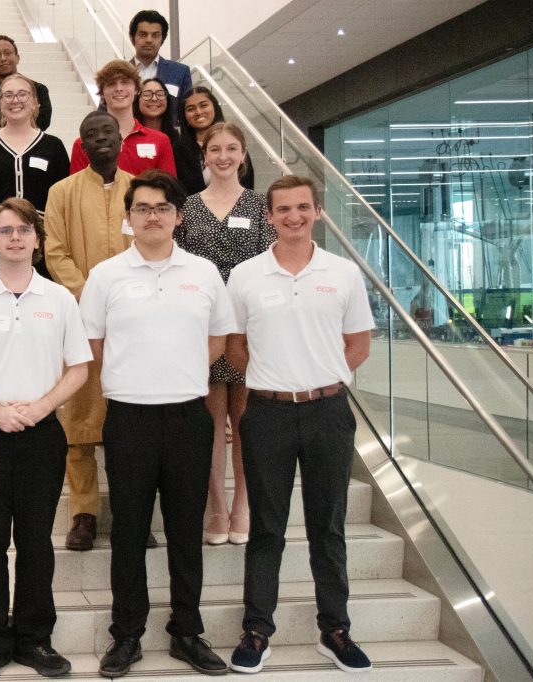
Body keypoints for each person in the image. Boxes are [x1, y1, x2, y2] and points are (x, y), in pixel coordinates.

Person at [81, 170, 235, 678]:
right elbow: (96, 345)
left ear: (179, 216)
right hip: (129, 417)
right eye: (143, 207)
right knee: (128, 531)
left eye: (162, 207)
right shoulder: (106, 276)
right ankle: (126, 635)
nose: (153, 215)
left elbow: (217, 340)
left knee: (186, 530)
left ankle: (187, 632)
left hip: (190, 415)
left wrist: (179, 372)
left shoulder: (204, 271)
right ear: (129, 218)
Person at [225, 176, 374, 675]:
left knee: (327, 527)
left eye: (303, 208)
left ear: (317, 213)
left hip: (328, 413)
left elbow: (358, 344)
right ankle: (257, 629)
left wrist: (320, 380)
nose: (293, 216)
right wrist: (273, 381)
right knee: (266, 527)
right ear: (268, 216)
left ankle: (335, 630)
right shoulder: (246, 275)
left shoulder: (344, 273)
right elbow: (235, 347)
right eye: (283, 208)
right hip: (265, 413)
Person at [0, 197, 90, 680]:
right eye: (5, 231)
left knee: (35, 542)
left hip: (41, 432)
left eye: (24, 230)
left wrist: (43, 406)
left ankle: (34, 638)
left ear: (37, 240)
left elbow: (79, 367)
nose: (15, 238)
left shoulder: (60, 300)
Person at [174, 123, 273, 547]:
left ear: (244, 154)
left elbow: (272, 265)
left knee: (246, 422)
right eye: (215, 149)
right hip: (205, 327)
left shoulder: (258, 205)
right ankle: (216, 507)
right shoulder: (189, 207)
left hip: (251, 327)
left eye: (232, 148)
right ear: (204, 156)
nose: (223, 156)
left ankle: (243, 506)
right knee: (212, 422)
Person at [42, 111, 136, 552]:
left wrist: (128, 299)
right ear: (81, 144)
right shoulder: (61, 192)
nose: (100, 139)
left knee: (128, 419)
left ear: (120, 137)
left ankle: (128, 512)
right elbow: (55, 251)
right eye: (91, 135)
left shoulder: (140, 189)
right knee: (79, 419)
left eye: (107, 132)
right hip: (80, 318)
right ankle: (83, 513)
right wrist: (89, 296)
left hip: (135, 321)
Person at [0, 73, 68, 280]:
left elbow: (64, 198)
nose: (15, 100)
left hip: (42, 243)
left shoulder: (53, 146)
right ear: (0, 104)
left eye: (23, 94)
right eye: (8, 95)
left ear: (35, 103)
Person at [68, 60, 175, 177]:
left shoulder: (160, 140)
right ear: (102, 93)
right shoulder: (83, 144)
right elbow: (77, 190)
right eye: (111, 84)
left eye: (125, 82)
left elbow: (169, 190)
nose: (119, 88)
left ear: (136, 89)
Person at [174, 87, 255, 196]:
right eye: (190, 109)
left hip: (237, 210)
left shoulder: (234, 141)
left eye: (203, 105)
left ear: (214, 107)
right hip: (194, 211)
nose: (198, 112)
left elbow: (247, 183)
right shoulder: (179, 150)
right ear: (184, 116)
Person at [0, 35, 53, 139]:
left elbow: (43, 122)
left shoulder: (39, 90)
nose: (3, 58)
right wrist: (25, 119)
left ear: (17, 58)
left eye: (7, 53)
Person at [128, 10, 193, 126]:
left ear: (162, 39)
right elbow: (104, 112)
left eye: (155, 35)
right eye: (143, 34)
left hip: (169, 140)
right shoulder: (119, 74)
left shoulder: (180, 72)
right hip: (128, 139)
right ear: (132, 37)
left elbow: (187, 113)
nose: (149, 40)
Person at [134, 77, 179, 147]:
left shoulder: (177, 137)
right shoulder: (129, 135)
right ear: (137, 101)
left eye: (160, 94)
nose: (154, 99)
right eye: (147, 94)